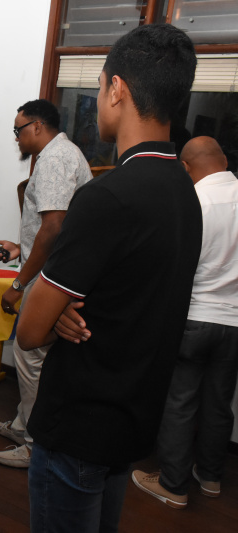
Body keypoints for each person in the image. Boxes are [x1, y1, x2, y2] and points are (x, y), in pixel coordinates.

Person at [16, 24, 200, 532]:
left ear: (117, 89)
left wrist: (57, 316)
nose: (97, 100)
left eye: (98, 87)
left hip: (78, 422)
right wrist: (70, 311)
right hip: (131, 421)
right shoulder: (185, 191)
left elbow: (29, 331)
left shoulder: (109, 196)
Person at [132, 137, 238, 509]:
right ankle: (210, 477)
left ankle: (174, 484)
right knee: (219, 403)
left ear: (187, 167)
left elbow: (173, 267)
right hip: (234, 323)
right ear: (223, 160)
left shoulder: (195, 203)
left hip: (194, 317)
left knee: (180, 401)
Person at [0, 99, 92, 468]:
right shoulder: (59, 154)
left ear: (36, 126)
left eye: (18, 130)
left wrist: (18, 283)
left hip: (53, 278)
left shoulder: (54, 158)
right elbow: (47, 227)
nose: (16, 137)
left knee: (31, 356)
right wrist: (20, 248)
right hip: (51, 270)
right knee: (31, 356)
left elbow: (53, 228)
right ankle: (22, 424)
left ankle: (35, 442)